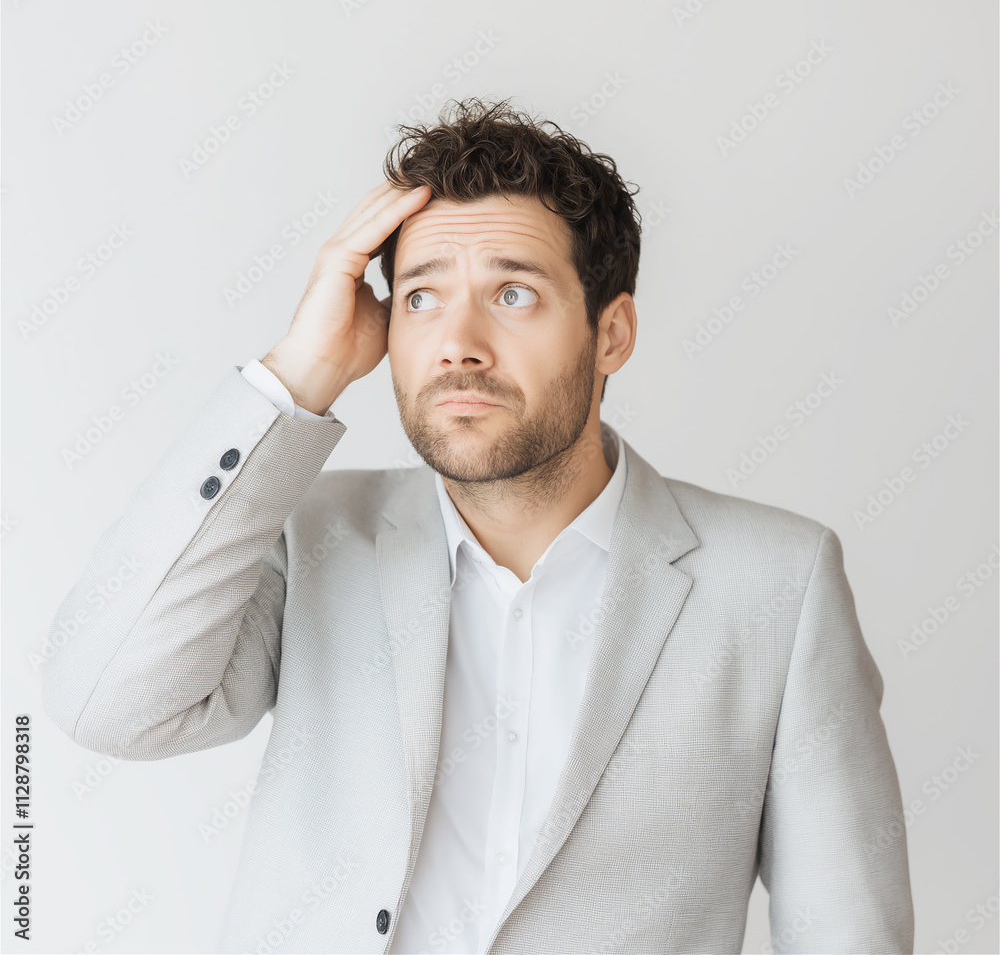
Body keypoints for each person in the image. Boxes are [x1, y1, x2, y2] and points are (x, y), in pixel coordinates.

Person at [40, 97, 914, 954]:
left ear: (611, 333)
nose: (457, 342)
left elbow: (848, 931)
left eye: (513, 294)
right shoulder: (309, 536)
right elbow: (109, 707)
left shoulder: (776, 584)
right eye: (420, 299)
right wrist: (298, 374)